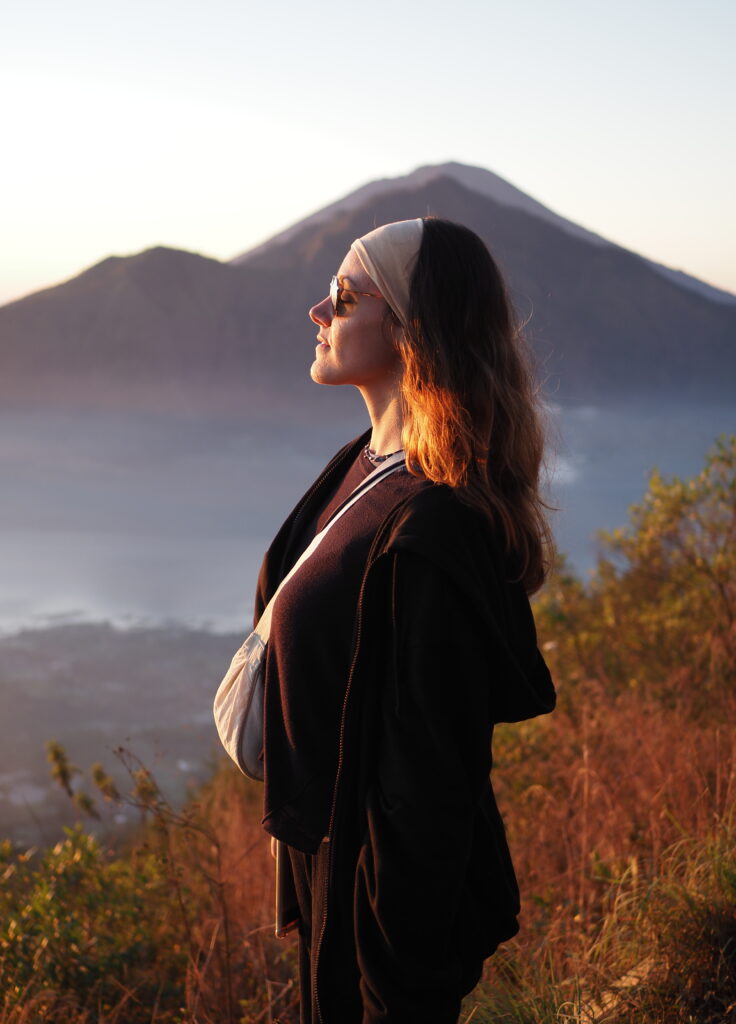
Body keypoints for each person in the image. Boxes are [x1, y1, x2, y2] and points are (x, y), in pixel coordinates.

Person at [253, 217, 556, 1024]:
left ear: (409, 326)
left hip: (381, 927)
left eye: (344, 295)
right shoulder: (361, 466)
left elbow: (428, 790)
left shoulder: (434, 525)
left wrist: (394, 988)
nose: (319, 312)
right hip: (332, 878)